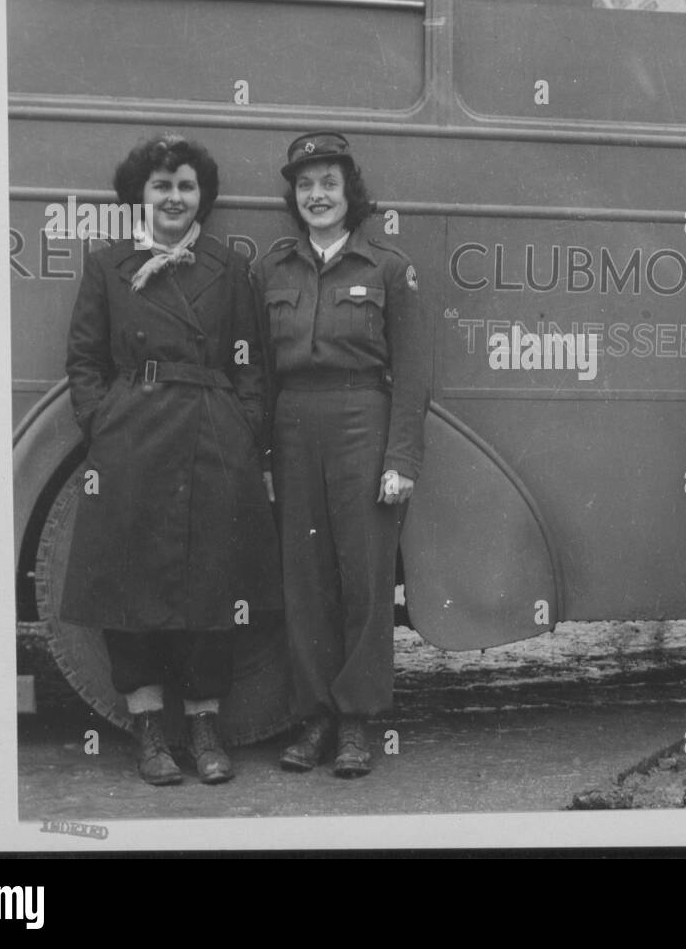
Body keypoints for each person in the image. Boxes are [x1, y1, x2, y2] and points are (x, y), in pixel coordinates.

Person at [62, 132, 281, 786]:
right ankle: (151, 729)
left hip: (212, 437)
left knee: (213, 584)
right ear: (139, 196)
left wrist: (242, 428)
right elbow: (83, 361)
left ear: (202, 198)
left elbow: (249, 360)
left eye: (186, 186)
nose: (175, 197)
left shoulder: (229, 267)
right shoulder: (108, 266)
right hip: (133, 436)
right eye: (162, 186)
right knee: (131, 583)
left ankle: (206, 725)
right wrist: (105, 422)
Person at [257, 131, 429, 779]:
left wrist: (401, 458)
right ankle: (314, 719)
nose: (317, 195)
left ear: (348, 191)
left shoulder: (386, 267)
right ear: (293, 196)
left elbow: (414, 372)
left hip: (364, 418)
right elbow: (265, 372)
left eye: (328, 183)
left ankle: (356, 722)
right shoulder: (272, 269)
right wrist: (267, 455)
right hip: (295, 420)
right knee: (304, 580)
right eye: (305, 185)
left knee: (363, 576)